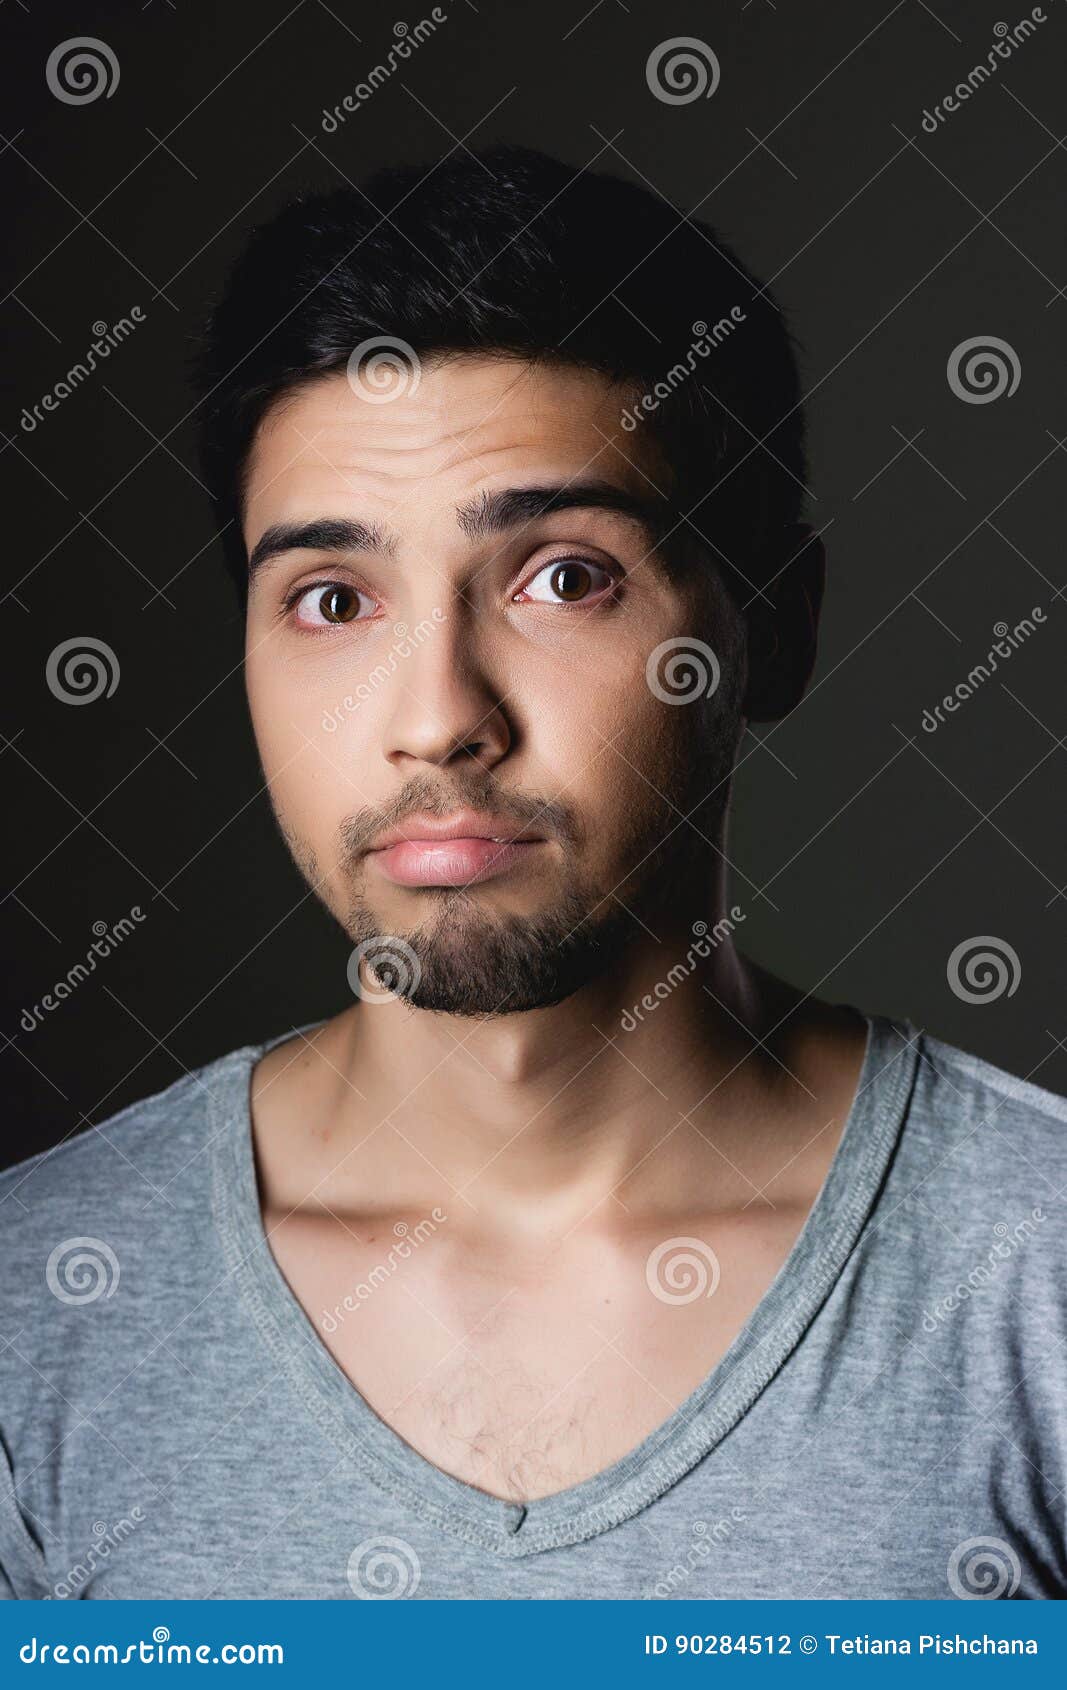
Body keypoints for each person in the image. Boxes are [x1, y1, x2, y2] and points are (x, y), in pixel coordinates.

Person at [1, 146, 1064, 1602]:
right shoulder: (38, 1310)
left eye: (563, 576)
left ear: (775, 625)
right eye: (331, 598)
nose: (438, 712)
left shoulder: (1037, 1277)